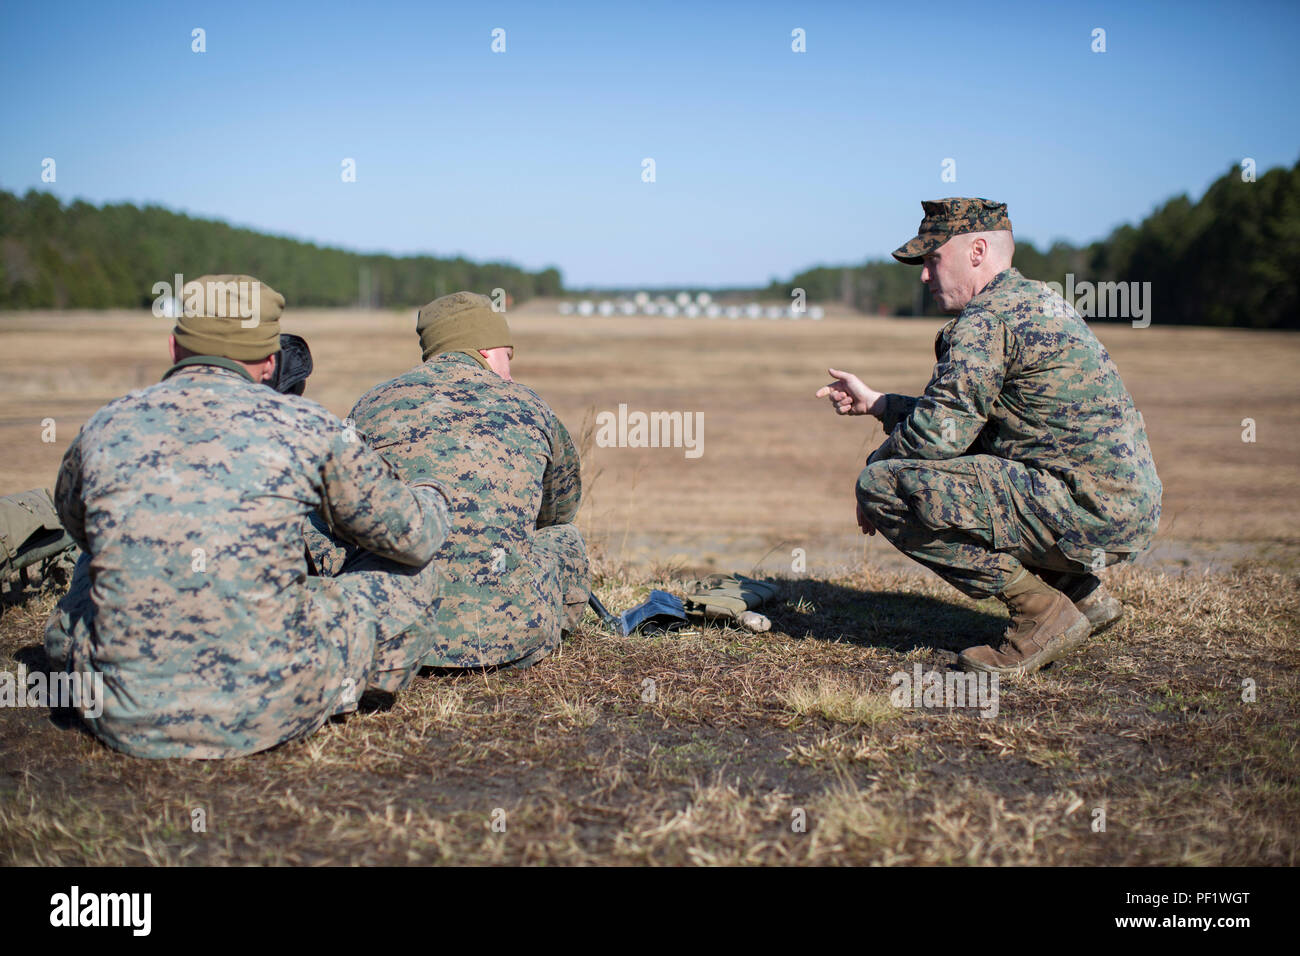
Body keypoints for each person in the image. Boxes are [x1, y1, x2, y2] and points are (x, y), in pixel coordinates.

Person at [45, 274, 451, 758]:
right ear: (270, 362)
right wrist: (433, 492)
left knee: (94, 564)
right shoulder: (309, 427)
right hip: (273, 709)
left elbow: (79, 527)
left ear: (175, 348)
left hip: (118, 713)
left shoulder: (106, 425)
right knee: (416, 576)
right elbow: (414, 538)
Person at [817, 199, 1161, 676]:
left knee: (884, 486)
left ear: (977, 251)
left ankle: (1043, 614)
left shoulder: (986, 320)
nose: (923, 275)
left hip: (1086, 509)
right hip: (1118, 507)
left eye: (933, 259)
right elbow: (967, 425)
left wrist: (876, 465)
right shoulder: (1039, 300)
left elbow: (938, 436)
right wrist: (879, 404)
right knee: (975, 464)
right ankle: (1081, 595)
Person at [344, 291, 589, 670]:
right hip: (513, 640)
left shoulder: (371, 404)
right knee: (566, 537)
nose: (510, 369)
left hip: (395, 634)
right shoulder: (533, 406)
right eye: (509, 356)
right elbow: (559, 512)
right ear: (488, 350)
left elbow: (344, 509)